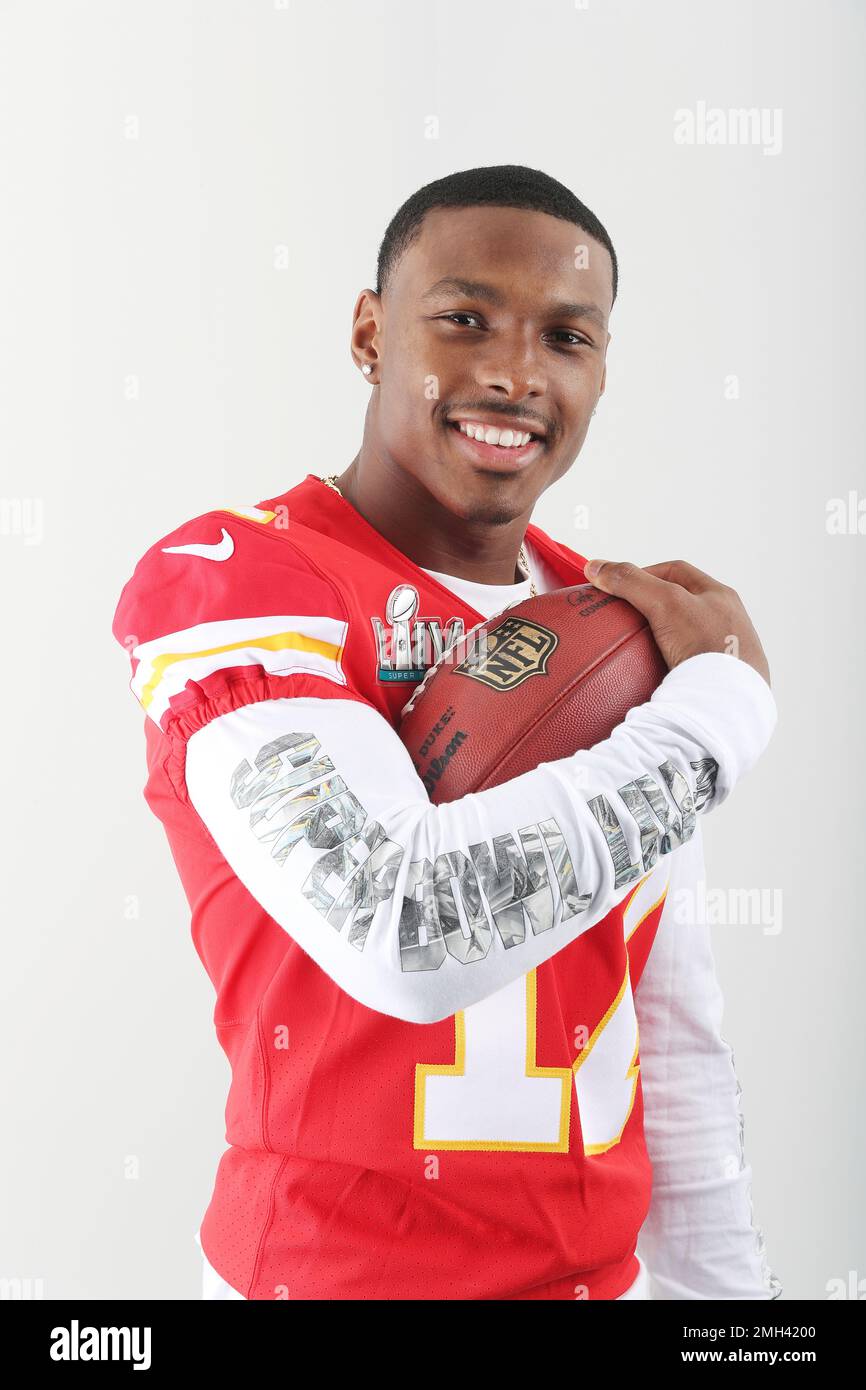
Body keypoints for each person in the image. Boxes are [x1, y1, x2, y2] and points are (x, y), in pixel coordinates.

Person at [112, 164, 781, 1301]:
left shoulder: (609, 629)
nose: (515, 373)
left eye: (565, 336)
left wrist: (732, 1315)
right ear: (370, 333)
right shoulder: (243, 577)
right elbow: (403, 926)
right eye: (465, 319)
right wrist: (723, 714)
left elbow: (668, 1028)